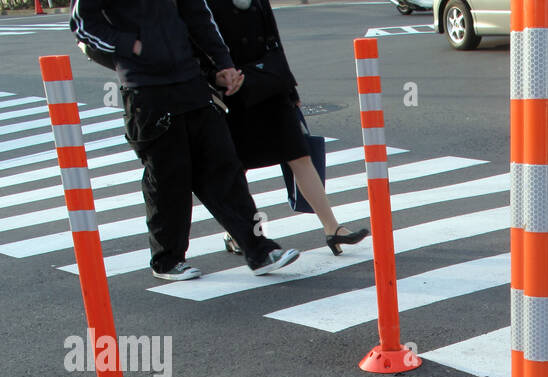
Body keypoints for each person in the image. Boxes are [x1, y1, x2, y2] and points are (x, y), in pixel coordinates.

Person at [70, 0, 300, 280]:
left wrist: (222, 63)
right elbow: (83, 26)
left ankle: (258, 249)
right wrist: (131, 45)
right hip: (144, 89)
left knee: (225, 168)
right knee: (168, 180)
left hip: (191, 81)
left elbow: (199, 16)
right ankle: (167, 260)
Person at [203, 0, 368, 256]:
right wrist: (215, 76)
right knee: (238, 166)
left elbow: (273, 38)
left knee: (299, 154)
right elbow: (199, 39)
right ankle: (237, 232)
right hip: (233, 89)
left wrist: (289, 87)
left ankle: (332, 228)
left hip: (270, 82)